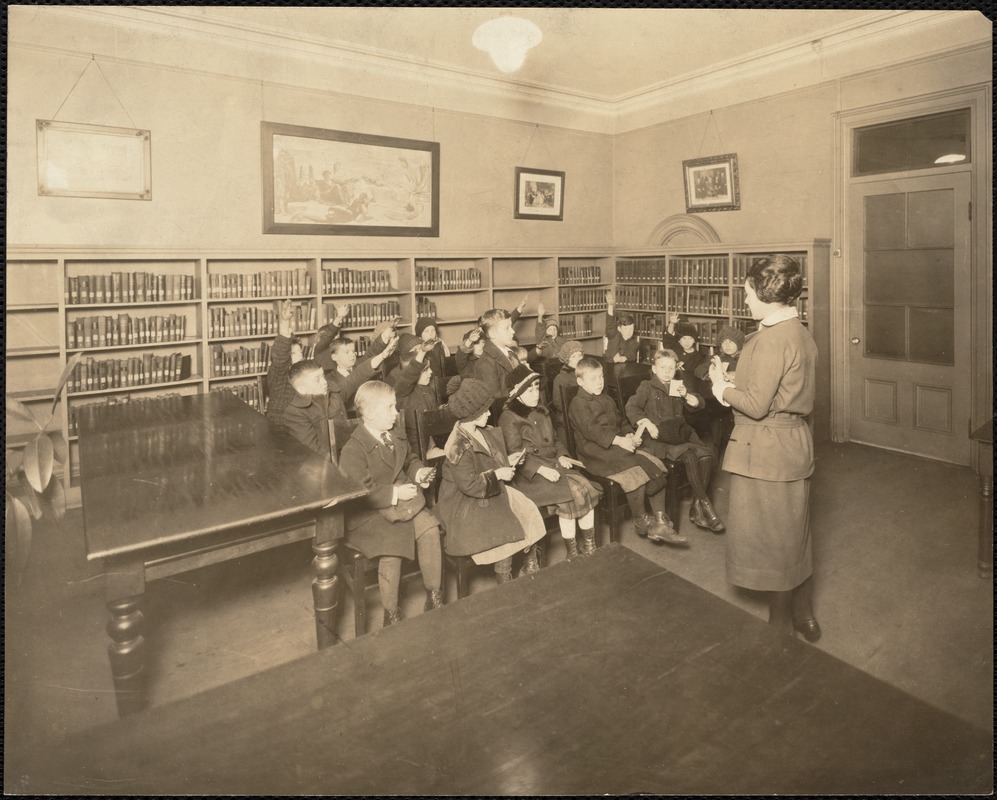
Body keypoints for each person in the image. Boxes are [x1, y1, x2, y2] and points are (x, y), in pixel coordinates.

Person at [707, 254, 820, 641]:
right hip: (792, 445)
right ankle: (804, 613)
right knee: (793, 532)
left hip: (766, 451)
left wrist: (721, 388)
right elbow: (777, 388)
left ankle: (779, 630)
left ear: (766, 294)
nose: (745, 300)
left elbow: (756, 405)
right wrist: (736, 378)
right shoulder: (798, 331)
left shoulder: (771, 339)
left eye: (748, 293)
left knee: (773, 541)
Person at [338, 381, 443, 626]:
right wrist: (395, 494)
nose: (396, 413)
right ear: (370, 413)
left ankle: (434, 594)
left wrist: (418, 474)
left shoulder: (395, 434)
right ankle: (391, 613)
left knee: (429, 529)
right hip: (368, 514)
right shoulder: (353, 449)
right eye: (390, 408)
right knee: (392, 545)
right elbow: (360, 493)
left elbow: (411, 460)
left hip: (402, 505)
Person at [567, 356, 687, 546]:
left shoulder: (606, 398)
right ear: (580, 382)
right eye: (593, 379)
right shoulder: (578, 403)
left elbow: (621, 422)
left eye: (601, 377)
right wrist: (620, 441)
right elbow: (593, 431)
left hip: (616, 446)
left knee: (654, 464)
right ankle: (641, 520)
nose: (599, 382)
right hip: (594, 453)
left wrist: (629, 435)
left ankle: (660, 521)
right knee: (637, 469)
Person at [437, 378, 546, 584]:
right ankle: (504, 581)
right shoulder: (457, 445)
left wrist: (507, 461)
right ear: (471, 414)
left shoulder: (481, 432)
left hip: (486, 490)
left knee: (526, 506)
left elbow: (490, 462)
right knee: (502, 523)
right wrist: (497, 475)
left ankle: (530, 565)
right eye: (484, 410)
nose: (489, 413)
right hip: (463, 503)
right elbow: (469, 484)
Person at [499, 365, 603, 557]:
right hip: (529, 476)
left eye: (537, 388)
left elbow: (555, 440)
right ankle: (572, 551)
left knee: (585, 488)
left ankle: (589, 546)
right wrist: (540, 469)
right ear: (517, 394)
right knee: (571, 494)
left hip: (553, 464)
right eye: (529, 390)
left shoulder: (542, 411)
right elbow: (513, 454)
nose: (535, 394)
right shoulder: (509, 418)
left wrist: (562, 455)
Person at [626, 348, 725, 533]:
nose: (667, 371)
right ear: (654, 369)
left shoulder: (677, 385)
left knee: (705, 456)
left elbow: (699, 403)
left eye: (671, 368)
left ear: (676, 369)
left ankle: (697, 507)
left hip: (678, 434)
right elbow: (631, 408)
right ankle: (706, 506)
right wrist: (646, 423)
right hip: (658, 438)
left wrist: (687, 396)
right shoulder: (646, 386)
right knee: (689, 455)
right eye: (662, 367)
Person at [316, 322, 399, 422]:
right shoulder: (330, 380)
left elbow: (372, 351)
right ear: (334, 357)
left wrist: (385, 335)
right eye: (347, 352)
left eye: (353, 351)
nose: (352, 355)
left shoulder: (359, 365)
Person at [694, 324, 745, 457]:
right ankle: (716, 452)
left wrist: (737, 375)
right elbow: (698, 370)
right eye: (724, 342)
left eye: (731, 342)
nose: (727, 345)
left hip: (738, 400)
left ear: (739, 344)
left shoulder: (745, 359)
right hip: (719, 401)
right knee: (715, 422)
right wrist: (711, 374)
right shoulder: (718, 358)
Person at [389, 335, 444, 457]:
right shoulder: (401, 393)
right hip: (418, 452)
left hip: (433, 444)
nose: (431, 372)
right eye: (425, 370)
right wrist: (421, 352)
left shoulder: (427, 389)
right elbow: (410, 373)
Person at [265, 298, 309, 430]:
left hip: (301, 422)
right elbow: (280, 356)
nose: (301, 356)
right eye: (295, 354)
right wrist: (285, 322)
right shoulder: (279, 375)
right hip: (281, 425)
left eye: (301, 352)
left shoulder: (304, 374)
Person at [283, 359, 334, 460]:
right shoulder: (294, 412)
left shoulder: (328, 394)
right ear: (301, 389)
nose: (324, 382)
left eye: (323, 376)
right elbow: (312, 450)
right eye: (317, 380)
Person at [473, 307, 521, 405]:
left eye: (511, 327)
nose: (513, 331)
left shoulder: (511, 354)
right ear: (492, 333)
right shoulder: (485, 364)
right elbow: (496, 404)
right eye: (507, 328)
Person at [551, 340, 585, 444]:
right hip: (567, 416)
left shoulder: (584, 373)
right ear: (567, 360)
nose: (578, 359)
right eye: (574, 356)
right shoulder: (560, 378)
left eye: (579, 355)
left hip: (584, 412)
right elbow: (557, 403)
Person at [414, 316, 451, 400]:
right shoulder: (420, 351)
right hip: (428, 385)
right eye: (426, 331)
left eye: (432, 330)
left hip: (441, 382)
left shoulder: (440, 346)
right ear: (420, 335)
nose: (430, 333)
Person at [604, 290, 639, 363]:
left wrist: (624, 358)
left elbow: (631, 354)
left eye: (631, 329)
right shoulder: (614, 335)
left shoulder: (634, 343)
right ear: (619, 329)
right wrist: (610, 305)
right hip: (609, 366)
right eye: (626, 329)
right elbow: (610, 323)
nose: (629, 331)